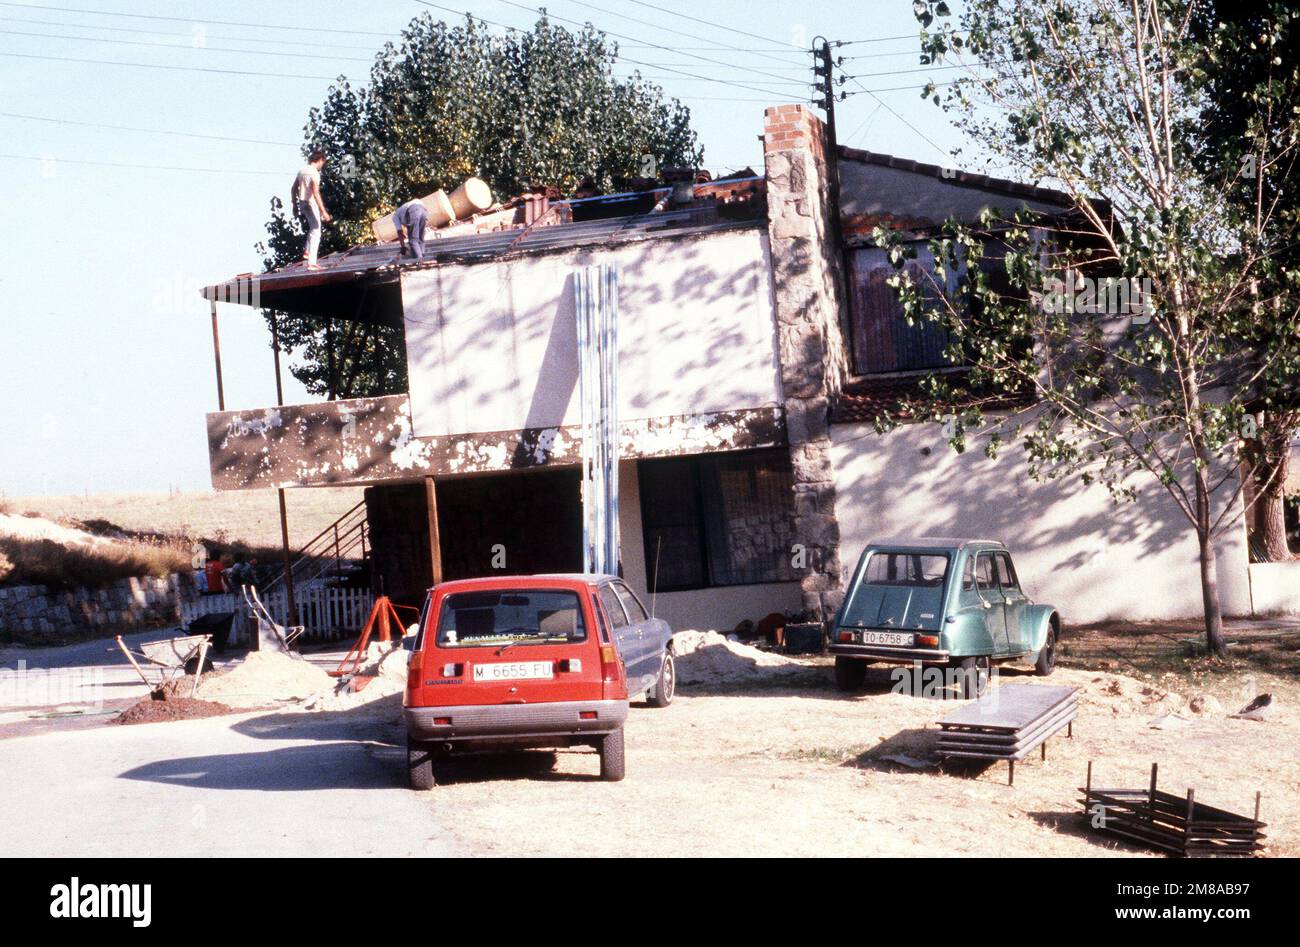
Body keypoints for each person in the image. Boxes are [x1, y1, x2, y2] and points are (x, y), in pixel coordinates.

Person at [292, 150, 332, 268]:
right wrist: (323, 211)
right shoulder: (314, 173)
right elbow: (315, 193)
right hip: (310, 203)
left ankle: (307, 251)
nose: (322, 166)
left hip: (302, 203)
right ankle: (312, 263)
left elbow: (293, 188)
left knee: (313, 227)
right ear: (320, 160)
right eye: (322, 163)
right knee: (316, 231)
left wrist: (294, 205)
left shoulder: (302, 170)